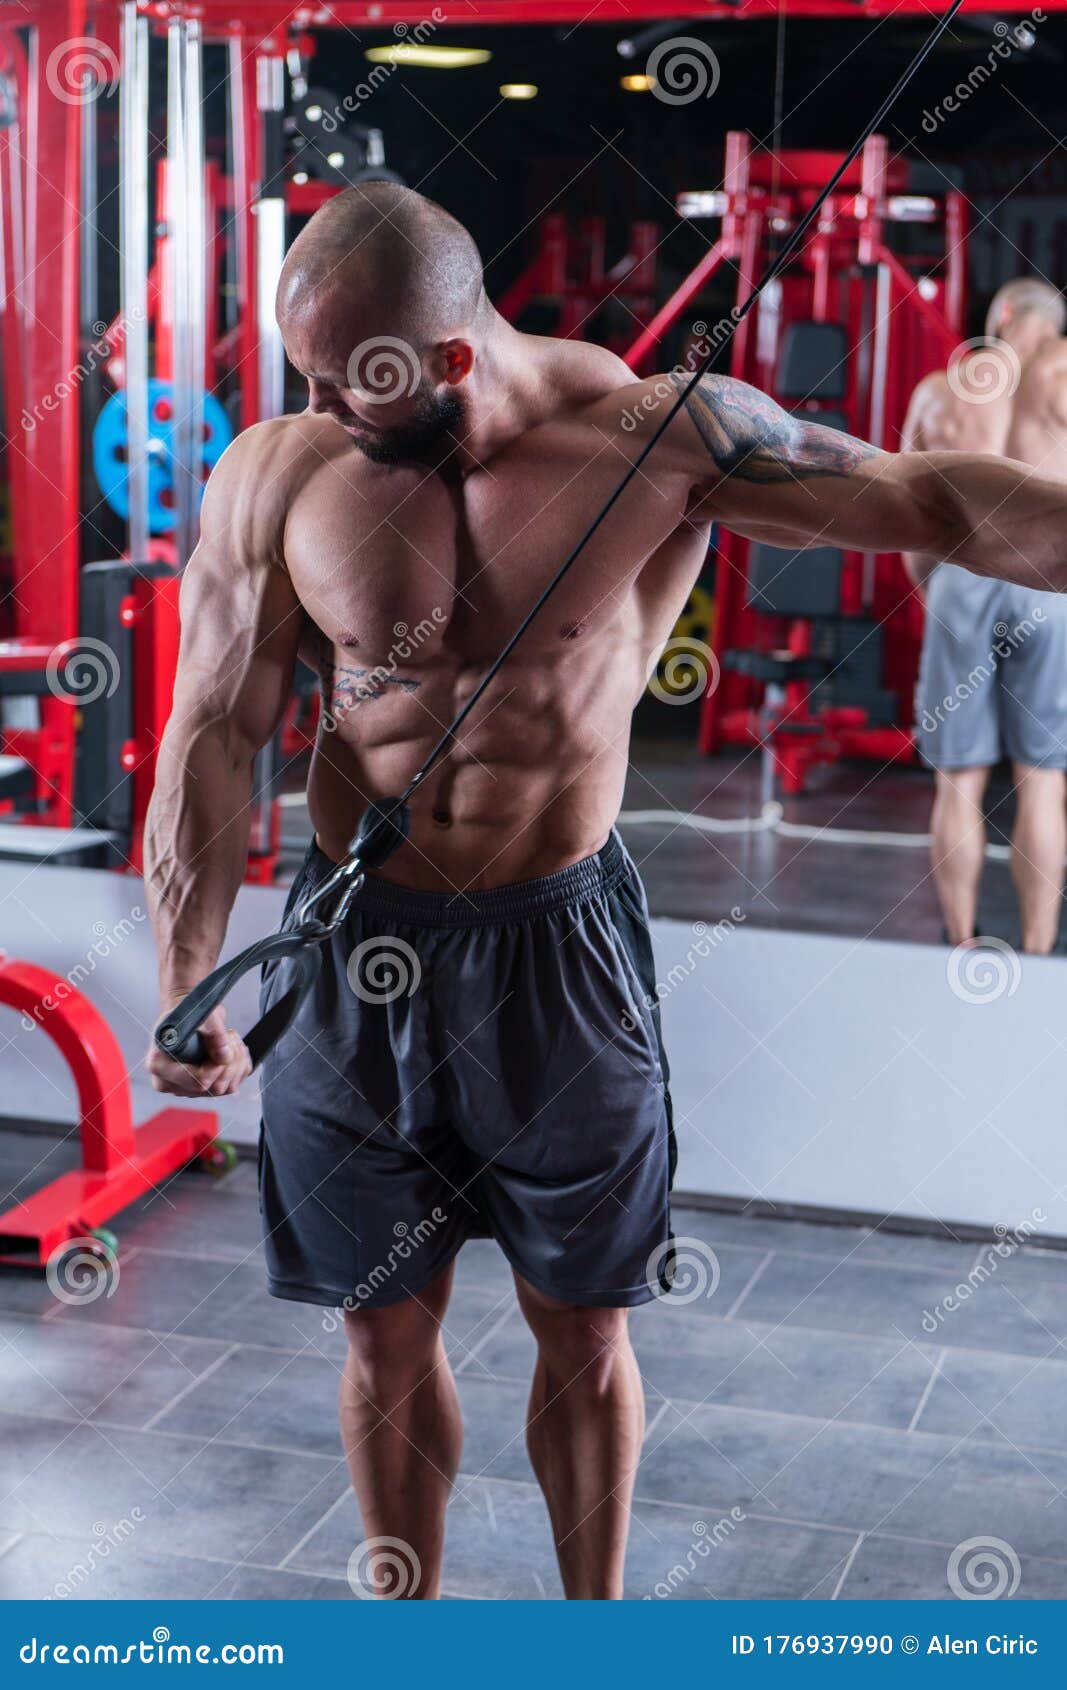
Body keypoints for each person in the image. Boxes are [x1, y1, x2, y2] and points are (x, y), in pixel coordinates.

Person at [144, 188, 1067, 1598]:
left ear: (450, 355)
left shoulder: (659, 441)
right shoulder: (282, 474)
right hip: (357, 944)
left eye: (348, 377)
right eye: (305, 372)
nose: (313, 402)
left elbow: (926, 498)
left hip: (551, 950)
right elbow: (212, 728)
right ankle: (409, 1633)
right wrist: (184, 971)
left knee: (580, 1328)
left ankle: (594, 1638)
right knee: (379, 1333)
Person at [902, 277, 1067, 953]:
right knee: (1041, 778)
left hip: (961, 576)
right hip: (1047, 582)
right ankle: (1035, 952)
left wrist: (930, 589)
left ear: (1001, 316)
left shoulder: (942, 390)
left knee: (957, 778)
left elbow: (902, 510)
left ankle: (963, 942)